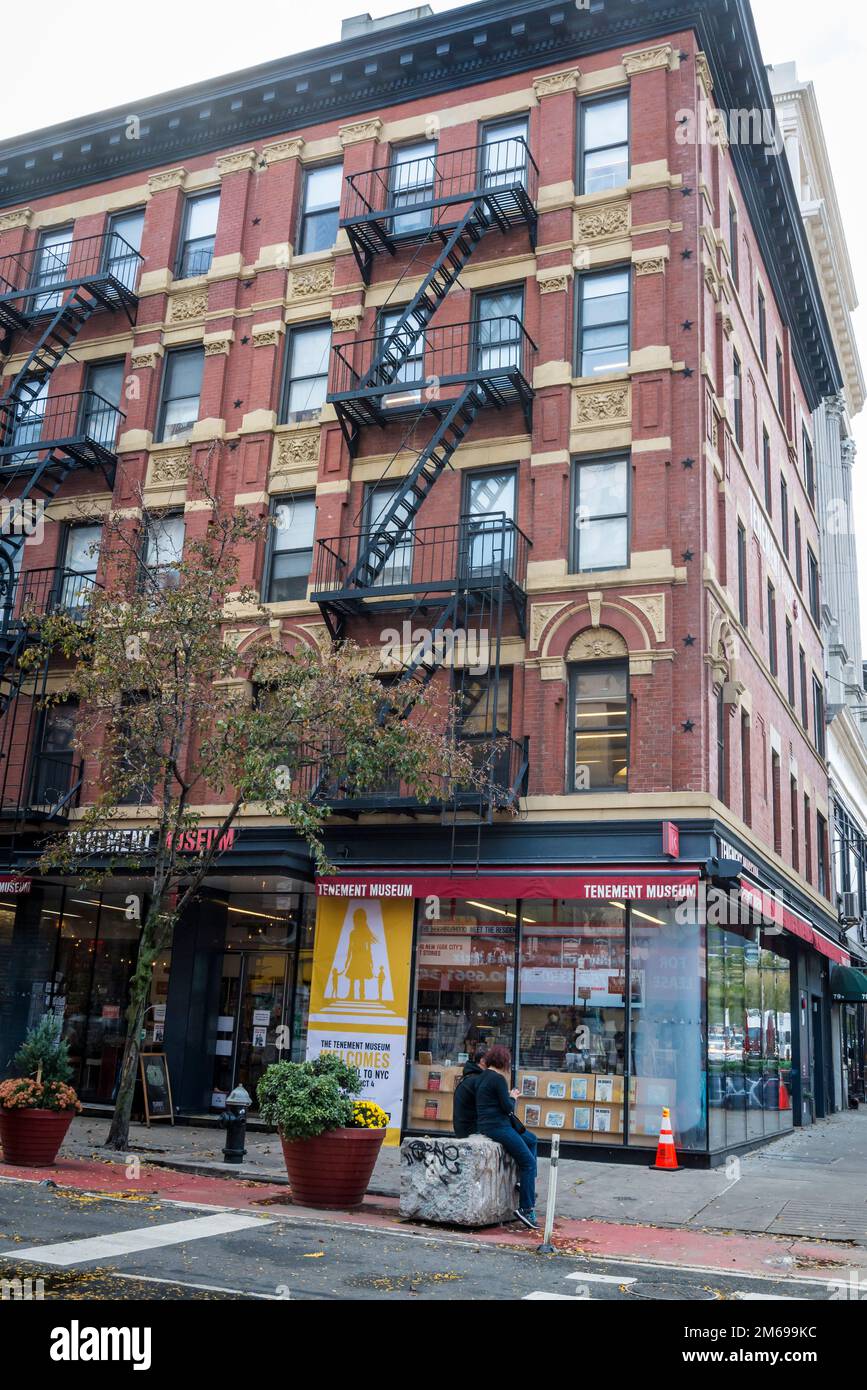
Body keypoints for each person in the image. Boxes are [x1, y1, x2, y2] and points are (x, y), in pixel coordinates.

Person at [474, 1043, 538, 1230]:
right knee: (528, 1162)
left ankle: (524, 1182)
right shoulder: (498, 1079)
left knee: (532, 1140)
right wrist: (513, 1096)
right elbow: (507, 1108)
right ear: (503, 1061)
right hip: (499, 1127)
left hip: (487, 1125)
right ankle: (526, 1209)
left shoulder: (482, 1077)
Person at [452, 1049, 487, 1139]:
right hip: (471, 1131)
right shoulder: (477, 1080)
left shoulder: (470, 1077)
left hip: (464, 1128)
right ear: (482, 1061)